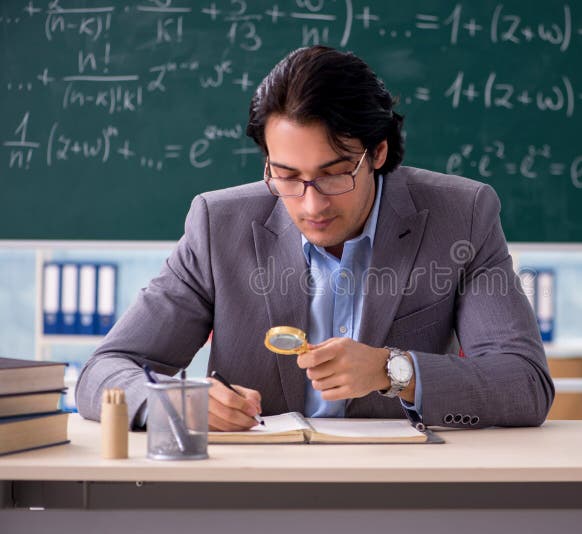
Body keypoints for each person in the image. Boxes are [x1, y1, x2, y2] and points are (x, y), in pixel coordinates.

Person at [76, 46, 554, 431]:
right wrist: (178, 405)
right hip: (251, 492)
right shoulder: (217, 224)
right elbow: (103, 373)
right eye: (286, 176)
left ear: (379, 152)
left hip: (403, 490)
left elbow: (524, 384)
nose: (311, 205)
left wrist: (393, 371)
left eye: (335, 174)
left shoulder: (461, 216)